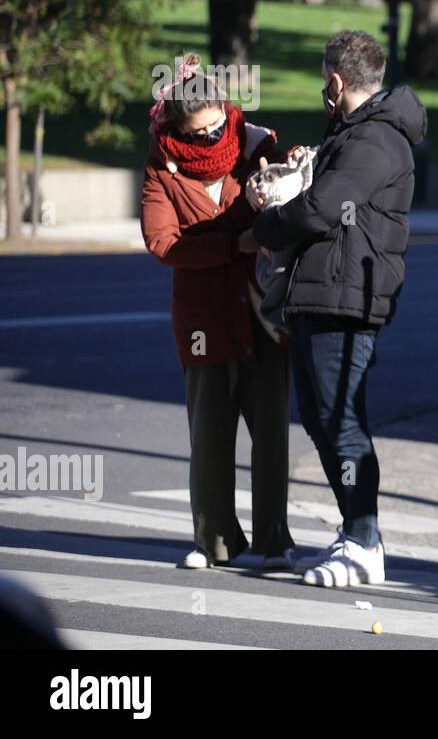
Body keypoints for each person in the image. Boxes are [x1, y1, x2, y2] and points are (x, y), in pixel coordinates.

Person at [247, 30, 427, 588]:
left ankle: (364, 540)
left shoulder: (374, 139)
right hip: (330, 289)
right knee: (326, 419)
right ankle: (357, 531)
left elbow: (323, 209)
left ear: (336, 80)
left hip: (345, 296)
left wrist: (264, 225)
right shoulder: (357, 132)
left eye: (324, 79)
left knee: (340, 421)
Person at [140, 53, 295, 569]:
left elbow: (287, 197)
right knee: (209, 438)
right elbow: (164, 242)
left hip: (264, 313)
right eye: (198, 132)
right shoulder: (161, 170)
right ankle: (216, 541)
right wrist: (236, 244)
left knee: (271, 432)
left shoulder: (253, 145)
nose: (210, 138)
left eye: (215, 126)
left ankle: (275, 539)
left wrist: (291, 171)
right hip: (204, 320)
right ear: (176, 127)